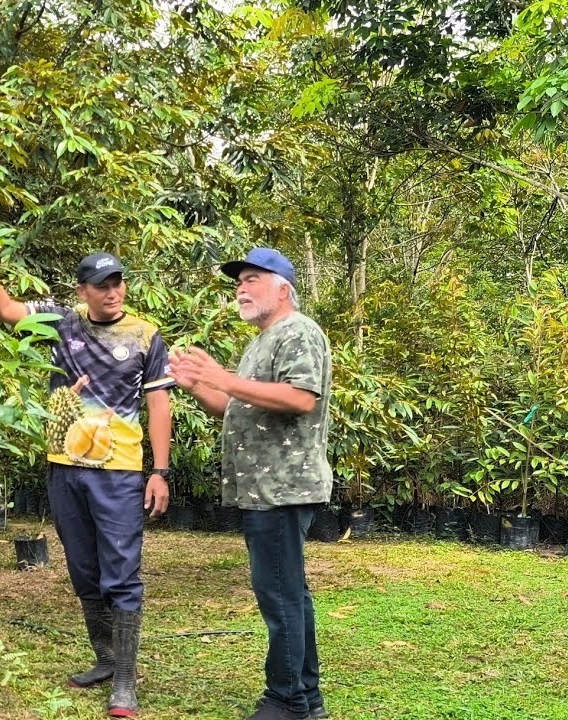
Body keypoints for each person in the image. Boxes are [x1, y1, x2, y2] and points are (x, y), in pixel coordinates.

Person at [0, 228, 172, 718]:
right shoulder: (62, 322)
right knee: (84, 571)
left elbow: (159, 402)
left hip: (119, 472)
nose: (113, 291)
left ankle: (126, 679)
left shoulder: (146, 335)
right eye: (102, 284)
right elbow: (7, 310)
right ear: (82, 290)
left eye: (118, 282)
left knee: (121, 573)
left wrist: (160, 471)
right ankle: (106, 659)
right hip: (65, 468)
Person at [168, 248, 332, 720]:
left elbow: (300, 398)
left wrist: (221, 376)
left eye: (253, 279)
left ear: (283, 289)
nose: (241, 287)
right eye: (239, 281)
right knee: (289, 593)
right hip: (263, 489)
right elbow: (233, 408)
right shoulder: (261, 341)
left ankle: (287, 701)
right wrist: (198, 384)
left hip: (284, 488)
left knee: (278, 594)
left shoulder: (298, 332)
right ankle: (307, 697)